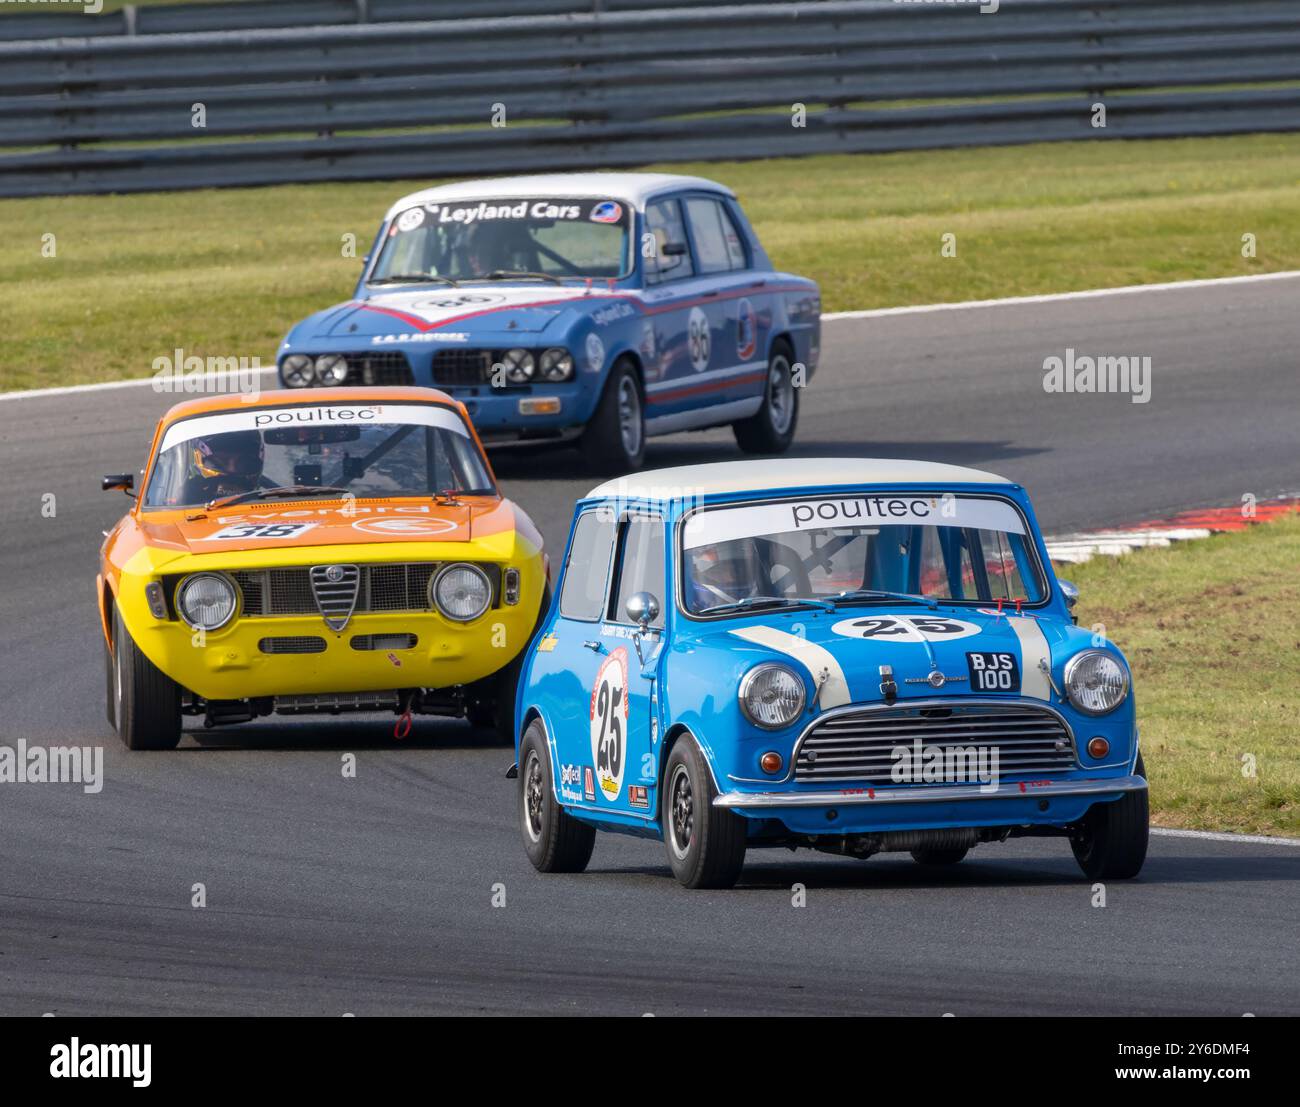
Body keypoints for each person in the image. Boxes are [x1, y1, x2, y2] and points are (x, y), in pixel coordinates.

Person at [185, 430, 265, 502]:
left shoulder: (273, 497)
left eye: (243, 463)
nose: (232, 470)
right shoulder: (181, 501)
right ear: (199, 458)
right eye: (221, 462)